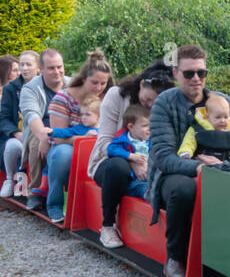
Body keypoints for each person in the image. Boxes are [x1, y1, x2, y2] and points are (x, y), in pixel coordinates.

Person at [147, 45, 230, 277]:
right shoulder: (164, 103)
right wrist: (197, 167)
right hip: (172, 174)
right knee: (185, 189)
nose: (196, 79)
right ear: (175, 73)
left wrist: (224, 166)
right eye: (189, 73)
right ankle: (175, 257)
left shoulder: (223, 103)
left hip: (222, 168)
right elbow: (163, 156)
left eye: (201, 73)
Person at [89, 64, 174, 237]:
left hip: (147, 167)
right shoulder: (116, 96)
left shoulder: (163, 107)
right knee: (118, 167)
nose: (151, 105)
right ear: (142, 84)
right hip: (110, 162)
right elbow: (104, 142)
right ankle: (108, 226)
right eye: (149, 99)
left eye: (156, 102)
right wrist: (133, 160)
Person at [40, 60, 112, 222]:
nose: (99, 87)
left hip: (98, 145)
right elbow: (58, 138)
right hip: (66, 145)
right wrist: (83, 140)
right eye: (94, 82)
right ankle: (55, 204)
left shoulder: (106, 98)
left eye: (103, 83)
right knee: (64, 155)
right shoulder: (64, 97)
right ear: (84, 78)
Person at [98, 105, 152, 247]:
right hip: (134, 178)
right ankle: (147, 194)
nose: (149, 129)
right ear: (131, 127)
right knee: (138, 186)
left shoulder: (151, 141)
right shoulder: (123, 140)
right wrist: (130, 156)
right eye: (145, 126)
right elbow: (111, 149)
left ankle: (157, 194)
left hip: (151, 173)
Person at [19, 49, 66, 207]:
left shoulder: (72, 84)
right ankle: (35, 190)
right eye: (51, 68)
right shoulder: (30, 89)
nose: (57, 71)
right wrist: (43, 137)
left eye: (59, 67)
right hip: (41, 128)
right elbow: (32, 116)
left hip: (66, 128)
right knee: (35, 144)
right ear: (41, 69)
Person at [0, 50, 39, 198]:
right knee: (14, 146)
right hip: (18, 132)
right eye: (22, 64)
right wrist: (16, 133)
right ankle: (9, 179)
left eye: (29, 64)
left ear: (38, 67)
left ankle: (37, 187)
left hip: (38, 133)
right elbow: (4, 118)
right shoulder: (10, 89)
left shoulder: (43, 86)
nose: (24, 68)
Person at [178, 93, 230, 162]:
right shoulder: (199, 128)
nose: (222, 120)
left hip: (223, 163)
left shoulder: (228, 130)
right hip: (202, 161)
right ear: (207, 117)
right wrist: (186, 152)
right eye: (218, 117)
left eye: (226, 117)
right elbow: (189, 141)